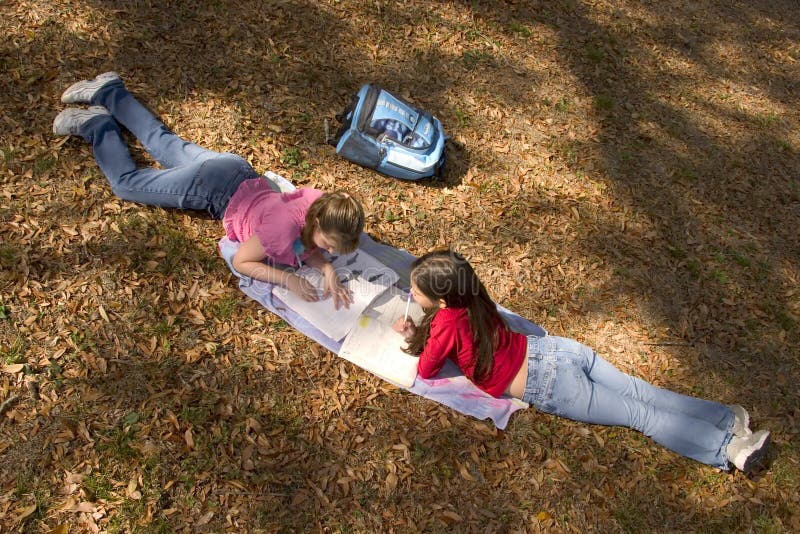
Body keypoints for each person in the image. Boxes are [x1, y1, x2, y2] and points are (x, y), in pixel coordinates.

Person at [393, 250, 771, 473]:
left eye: (415, 289)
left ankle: (729, 449)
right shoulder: (477, 298)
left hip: (550, 384)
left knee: (640, 416)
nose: (411, 292)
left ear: (443, 301)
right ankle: (725, 419)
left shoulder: (444, 322)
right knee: (641, 391)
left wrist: (414, 337)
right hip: (558, 350)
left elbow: (427, 369)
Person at [53, 72, 364, 309]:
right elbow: (243, 261)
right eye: (330, 245)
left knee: (162, 141)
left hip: (233, 170)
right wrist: (289, 279)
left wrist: (326, 270)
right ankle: (97, 127)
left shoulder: (322, 204)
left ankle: (109, 90)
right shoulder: (281, 233)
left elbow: (307, 247)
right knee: (127, 185)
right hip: (212, 191)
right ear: (318, 224)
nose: (331, 253)